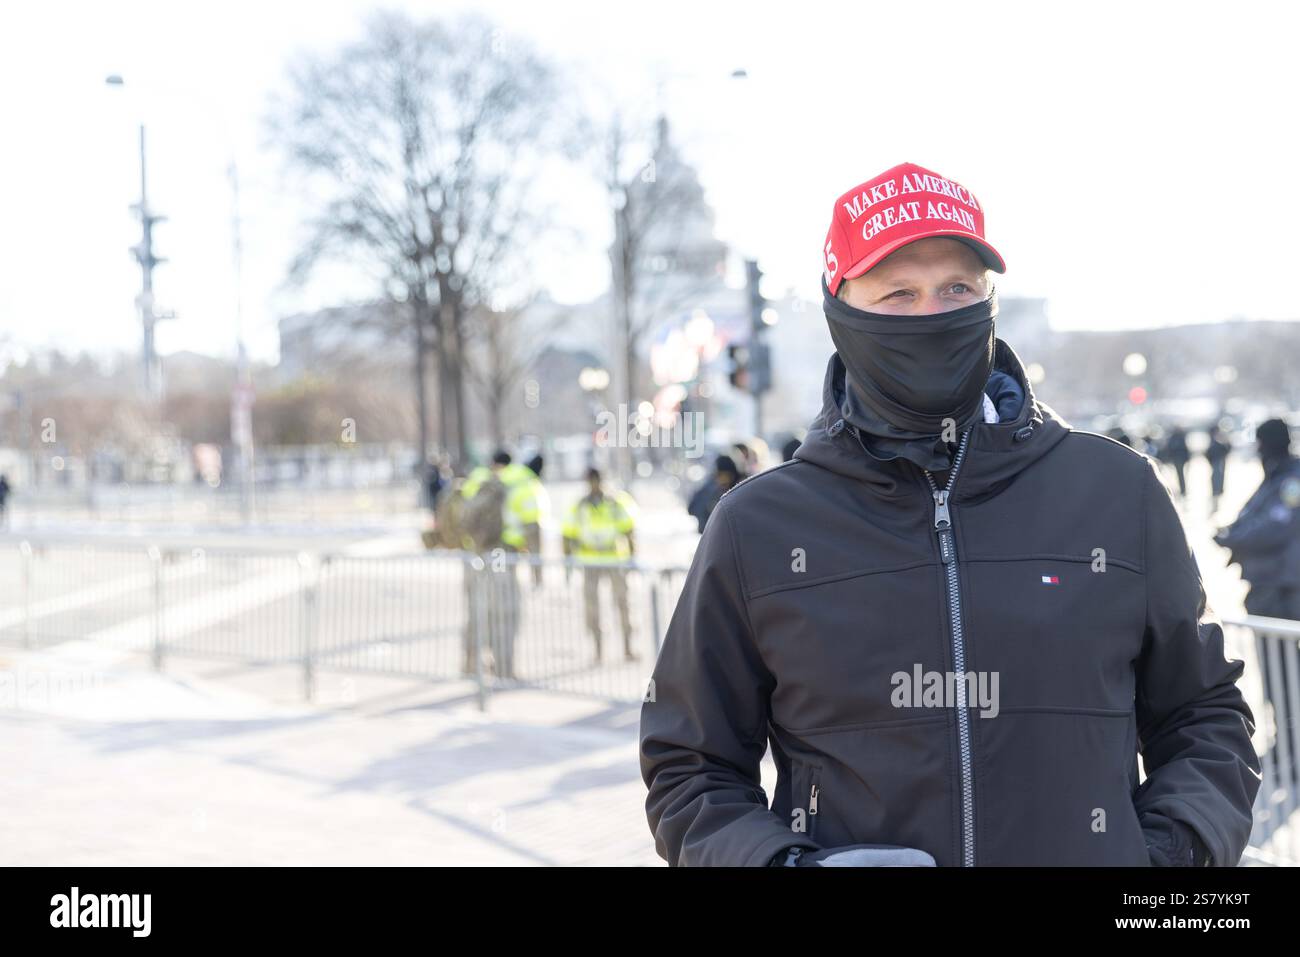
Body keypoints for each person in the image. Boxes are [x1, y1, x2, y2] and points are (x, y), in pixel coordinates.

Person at [640, 161, 1259, 867]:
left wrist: (1166, 854)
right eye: (899, 293)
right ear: (842, 309)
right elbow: (690, 765)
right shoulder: (757, 525)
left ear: (989, 300)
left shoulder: (1118, 490)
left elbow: (1205, 714)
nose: (932, 315)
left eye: (956, 288)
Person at [1215, 418, 1300, 788]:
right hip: (1273, 588)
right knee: (1281, 676)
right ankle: (1287, 745)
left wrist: (1232, 536)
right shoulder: (1280, 474)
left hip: (1283, 591)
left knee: (1284, 675)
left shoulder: (1290, 478)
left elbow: (1276, 526)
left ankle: (1292, 750)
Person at [562, 467, 638, 663]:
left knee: (622, 604)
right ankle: (598, 650)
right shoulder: (580, 506)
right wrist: (567, 563)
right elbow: (568, 534)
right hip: (590, 562)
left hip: (614, 560)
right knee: (592, 608)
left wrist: (632, 558)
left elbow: (628, 530)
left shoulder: (615, 502)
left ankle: (627, 647)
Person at [686, 455, 740, 533]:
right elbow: (692, 508)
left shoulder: (739, 488)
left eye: (727, 475)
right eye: (720, 475)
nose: (724, 480)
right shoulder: (709, 489)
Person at [1205, 424, 1231, 510]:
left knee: (1218, 485)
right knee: (1216, 485)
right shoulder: (1214, 443)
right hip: (1216, 466)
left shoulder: (1217, 442)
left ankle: (1216, 503)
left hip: (1218, 466)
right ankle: (1215, 504)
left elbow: (1227, 450)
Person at [1160, 426, 1191, 498]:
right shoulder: (1176, 438)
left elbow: (1183, 449)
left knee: (1180, 475)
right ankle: (1179, 490)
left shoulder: (1178, 438)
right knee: (1177, 475)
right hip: (1176, 459)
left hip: (1179, 459)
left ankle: (1182, 490)